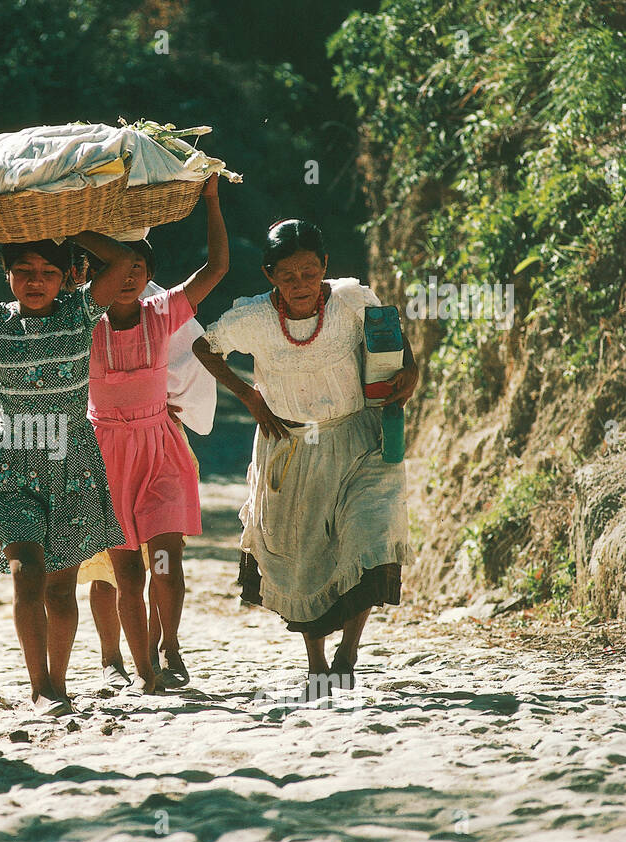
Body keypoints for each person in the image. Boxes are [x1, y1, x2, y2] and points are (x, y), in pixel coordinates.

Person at [0, 175, 135, 714]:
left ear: (65, 277)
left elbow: (125, 265)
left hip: (71, 464)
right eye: (24, 271)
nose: (35, 281)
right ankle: (39, 687)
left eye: (48, 272)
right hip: (11, 460)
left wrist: (70, 223)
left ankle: (58, 681)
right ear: (7, 274)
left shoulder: (81, 314)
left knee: (61, 591)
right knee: (26, 573)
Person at [193, 219, 418, 697]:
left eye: (310, 272)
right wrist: (249, 397)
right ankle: (317, 662)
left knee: (368, 537)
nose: (300, 284)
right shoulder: (252, 318)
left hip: (360, 440)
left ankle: (348, 653)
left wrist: (411, 373)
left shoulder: (351, 301)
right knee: (304, 557)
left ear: (325, 268)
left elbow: (393, 337)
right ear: (270, 274)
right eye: (288, 275)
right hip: (291, 448)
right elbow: (204, 346)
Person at [85, 178, 228, 692]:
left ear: (148, 274)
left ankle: (169, 644)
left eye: (137, 268)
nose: (127, 278)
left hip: (160, 451)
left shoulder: (163, 311)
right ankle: (144, 670)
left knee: (165, 564)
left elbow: (216, 269)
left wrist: (210, 200)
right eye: (115, 270)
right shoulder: (79, 322)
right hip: (105, 460)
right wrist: (77, 226)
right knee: (126, 576)